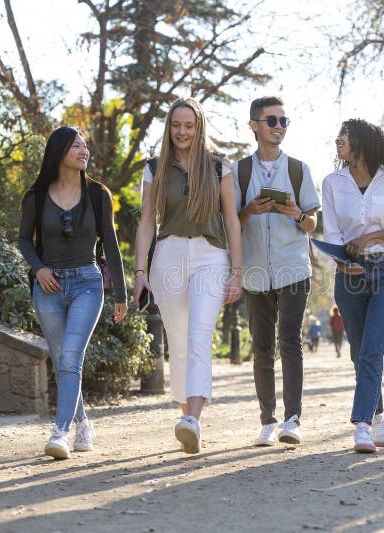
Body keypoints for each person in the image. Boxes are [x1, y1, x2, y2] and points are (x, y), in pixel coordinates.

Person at [133, 97, 242, 454]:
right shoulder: (154, 168)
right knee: (178, 343)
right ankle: (186, 418)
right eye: (176, 125)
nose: (182, 132)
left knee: (197, 336)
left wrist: (237, 272)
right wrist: (140, 272)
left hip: (211, 256)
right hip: (169, 255)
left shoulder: (219, 167)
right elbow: (147, 222)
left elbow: (231, 222)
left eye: (189, 125)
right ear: (169, 128)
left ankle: (193, 418)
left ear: (200, 128)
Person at [18, 126, 127, 459]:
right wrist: (39, 268)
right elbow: (24, 240)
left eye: (85, 146)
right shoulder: (36, 195)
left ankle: (59, 433)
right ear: (59, 151)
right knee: (63, 361)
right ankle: (84, 422)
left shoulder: (98, 195)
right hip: (48, 287)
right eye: (76, 146)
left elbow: (109, 242)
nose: (84, 151)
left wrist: (121, 294)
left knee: (69, 358)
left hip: (87, 284)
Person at [322, 118, 384, 453]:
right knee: (358, 350)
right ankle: (377, 418)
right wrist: (342, 260)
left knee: (373, 348)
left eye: (343, 135)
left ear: (361, 140)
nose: (338, 141)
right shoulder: (332, 182)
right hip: (349, 273)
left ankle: (361, 425)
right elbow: (332, 232)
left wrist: (371, 237)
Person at [235, 96, 320, 447]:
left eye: (284, 121)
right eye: (272, 121)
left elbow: (313, 224)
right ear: (254, 125)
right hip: (255, 271)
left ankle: (292, 420)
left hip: (294, 269)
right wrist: (250, 211)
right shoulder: (238, 172)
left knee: (290, 341)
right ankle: (267, 421)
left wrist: (296, 214)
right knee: (262, 347)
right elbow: (231, 225)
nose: (279, 127)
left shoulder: (299, 169)